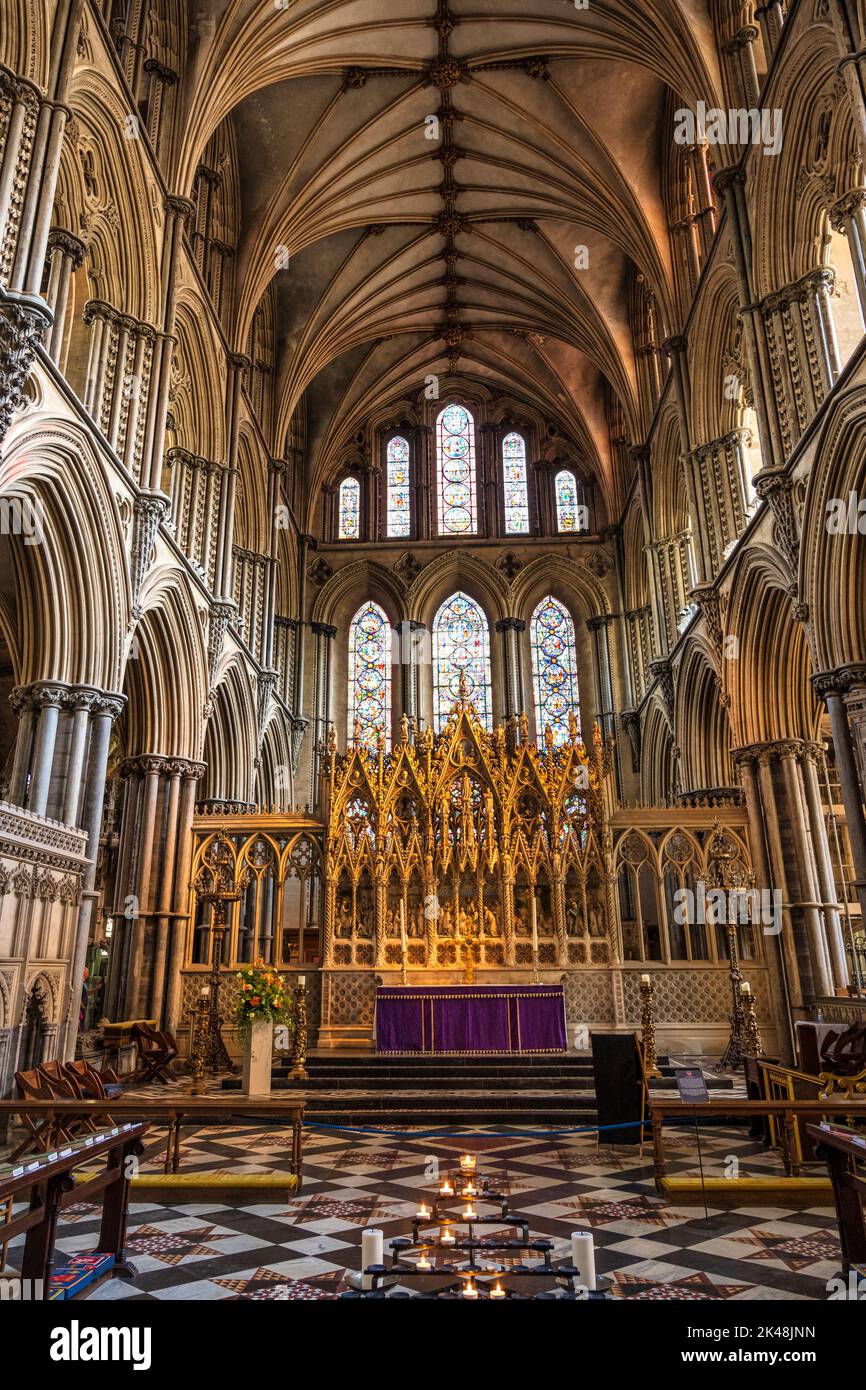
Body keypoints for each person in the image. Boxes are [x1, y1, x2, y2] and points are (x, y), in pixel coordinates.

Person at [79, 966, 89, 1032]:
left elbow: (86, 993)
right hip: (80, 1006)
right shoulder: (80, 982)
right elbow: (78, 994)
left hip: (84, 1005)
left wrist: (95, 989)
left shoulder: (84, 982)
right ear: (83, 973)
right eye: (87, 972)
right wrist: (81, 1004)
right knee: (80, 1021)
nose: (88, 973)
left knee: (82, 1021)